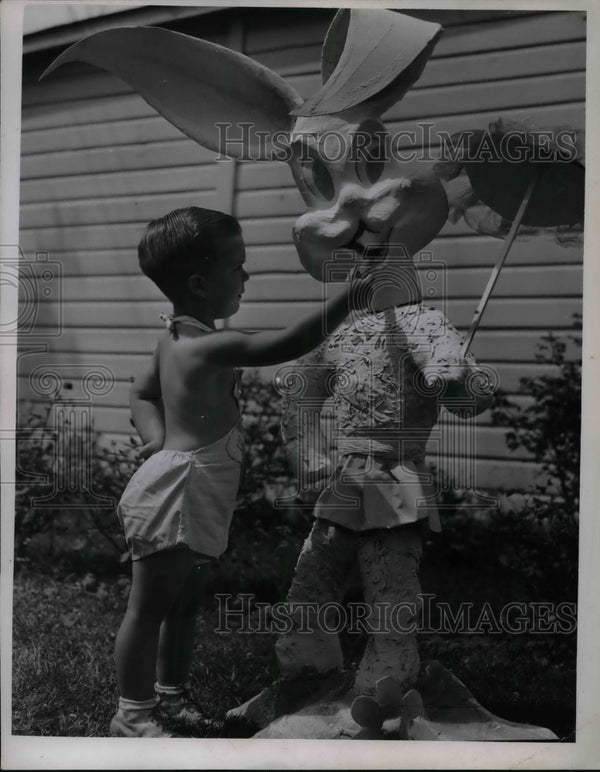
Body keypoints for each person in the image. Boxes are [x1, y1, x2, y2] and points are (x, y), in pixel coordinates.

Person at [109, 206, 375, 737]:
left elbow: (141, 394)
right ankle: (131, 716)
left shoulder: (175, 341)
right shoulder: (211, 345)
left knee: (184, 608)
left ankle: (170, 698)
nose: (247, 276)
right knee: (148, 610)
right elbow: (289, 344)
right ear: (201, 283)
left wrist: (156, 437)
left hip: (197, 488)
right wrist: (356, 293)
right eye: (239, 267)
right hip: (179, 492)